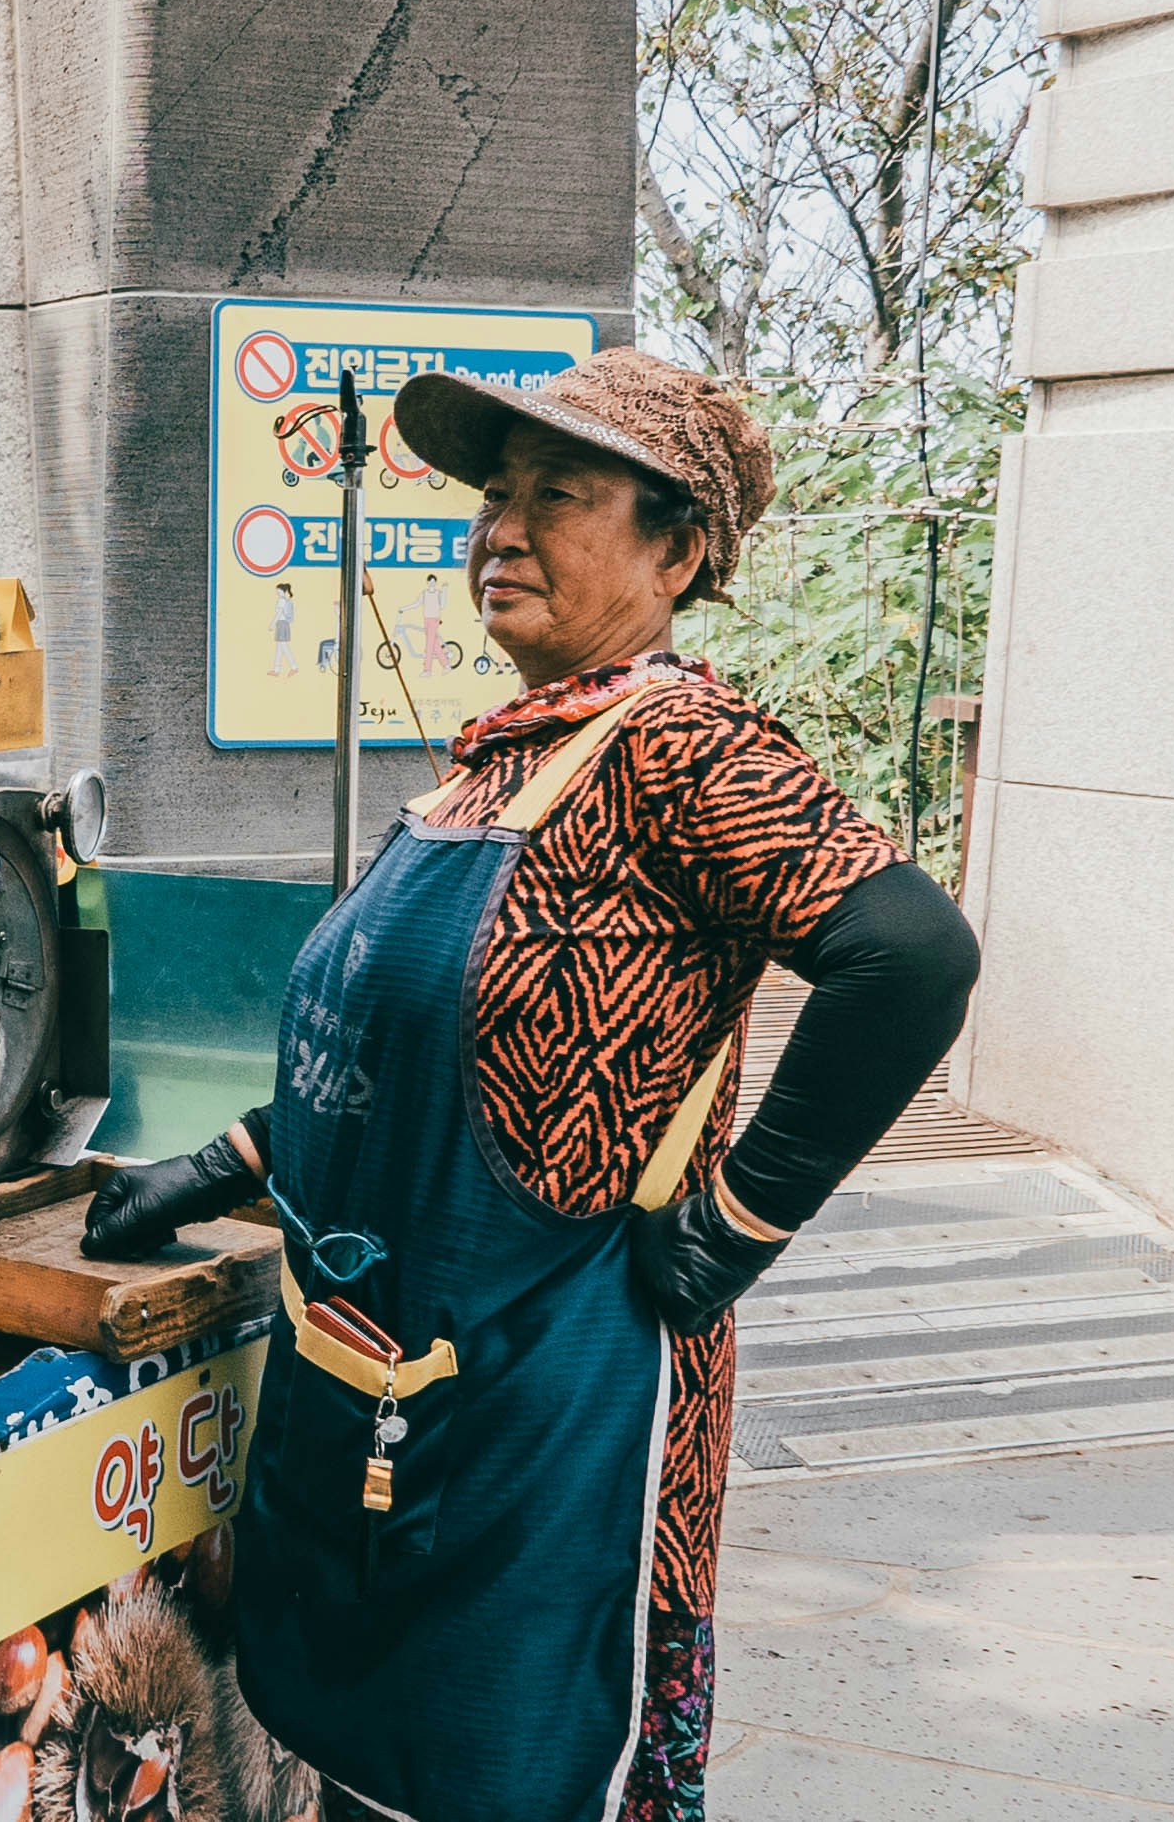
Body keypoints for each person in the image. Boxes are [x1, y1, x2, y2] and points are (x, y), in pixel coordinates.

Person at [86, 348, 978, 1822]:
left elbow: (912, 954)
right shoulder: (487, 768)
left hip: (556, 1425)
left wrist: (743, 1221)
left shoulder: (681, 749)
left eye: (555, 495)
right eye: (493, 495)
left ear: (676, 547)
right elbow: (400, 1064)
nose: (498, 527)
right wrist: (220, 1166)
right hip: (372, 1412)